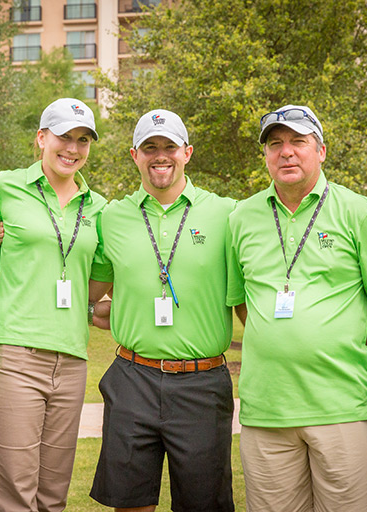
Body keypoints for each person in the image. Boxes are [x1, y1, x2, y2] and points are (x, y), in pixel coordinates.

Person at [227, 105, 367, 511]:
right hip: (265, 409)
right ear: (266, 155)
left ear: (320, 150)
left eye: (298, 142)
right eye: (275, 144)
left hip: (338, 405)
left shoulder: (359, 212)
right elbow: (242, 301)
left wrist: (355, 358)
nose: (286, 152)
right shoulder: (242, 216)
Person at [89, 109, 237, 512]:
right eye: (150, 148)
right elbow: (91, 285)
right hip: (132, 378)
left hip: (202, 384)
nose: (160, 156)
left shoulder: (227, 213)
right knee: (130, 503)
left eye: (169, 147)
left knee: (203, 504)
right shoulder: (111, 216)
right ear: (134, 154)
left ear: (187, 152)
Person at [0, 98, 106, 512]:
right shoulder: (7, 184)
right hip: (13, 353)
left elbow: (99, 279)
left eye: (82, 139)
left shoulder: (98, 207)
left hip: (71, 359)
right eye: (64, 137)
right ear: (41, 138)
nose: (73, 147)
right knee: (17, 490)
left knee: (54, 494)